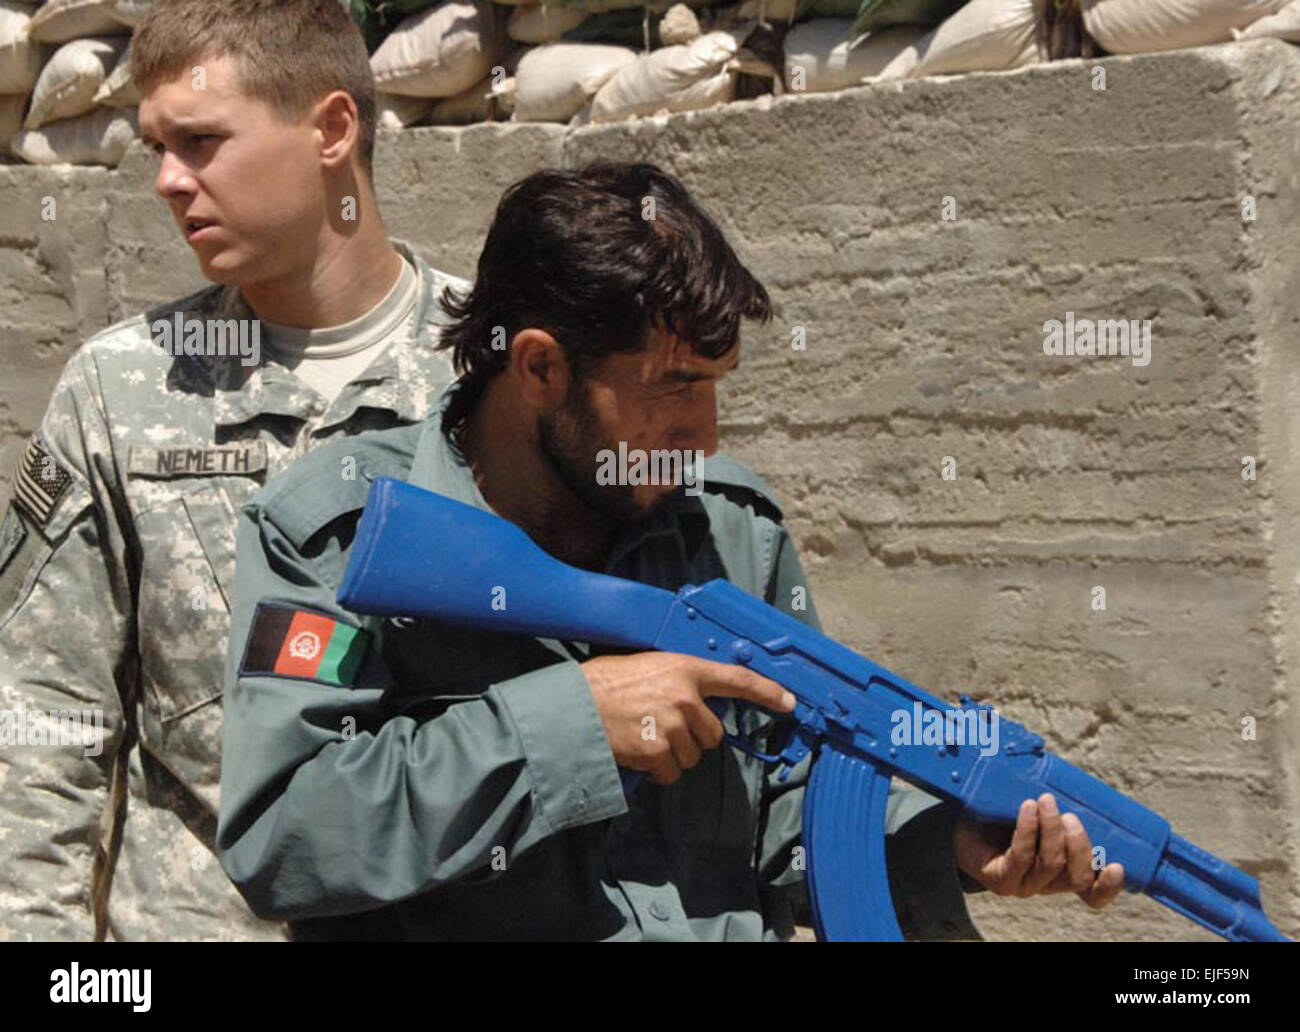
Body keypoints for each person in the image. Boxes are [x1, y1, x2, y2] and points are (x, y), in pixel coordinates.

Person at [218, 162, 1125, 940]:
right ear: (540, 369)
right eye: (674, 387)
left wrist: (944, 847)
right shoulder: (339, 536)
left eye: (717, 385)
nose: (704, 434)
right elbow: (284, 833)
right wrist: (571, 721)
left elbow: (781, 811)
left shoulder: (732, 530)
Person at [0, 0, 465, 941]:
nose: (169, 182)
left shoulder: (492, 369)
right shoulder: (122, 389)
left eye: (202, 142)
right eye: (158, 147)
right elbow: (44, 713)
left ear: (332, 129)